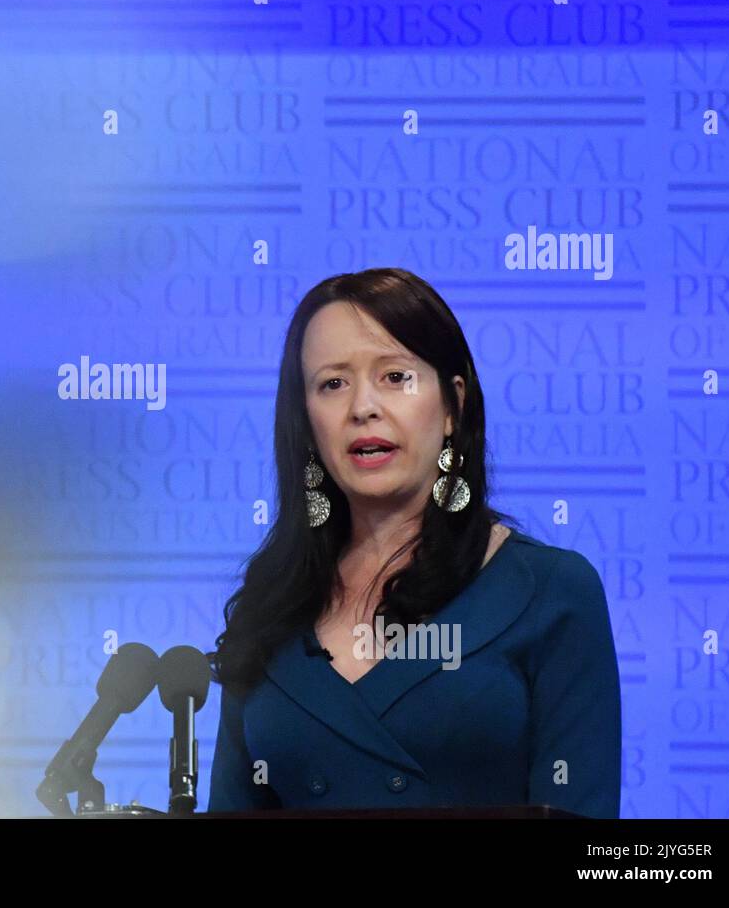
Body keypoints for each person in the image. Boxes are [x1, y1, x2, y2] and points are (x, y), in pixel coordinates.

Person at [207, 268, 621, 818]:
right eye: (332, 383)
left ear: (452, 406)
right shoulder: (270, 607)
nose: (362, 408)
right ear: (306, 422)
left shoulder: (551, 591)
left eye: (395, 376)